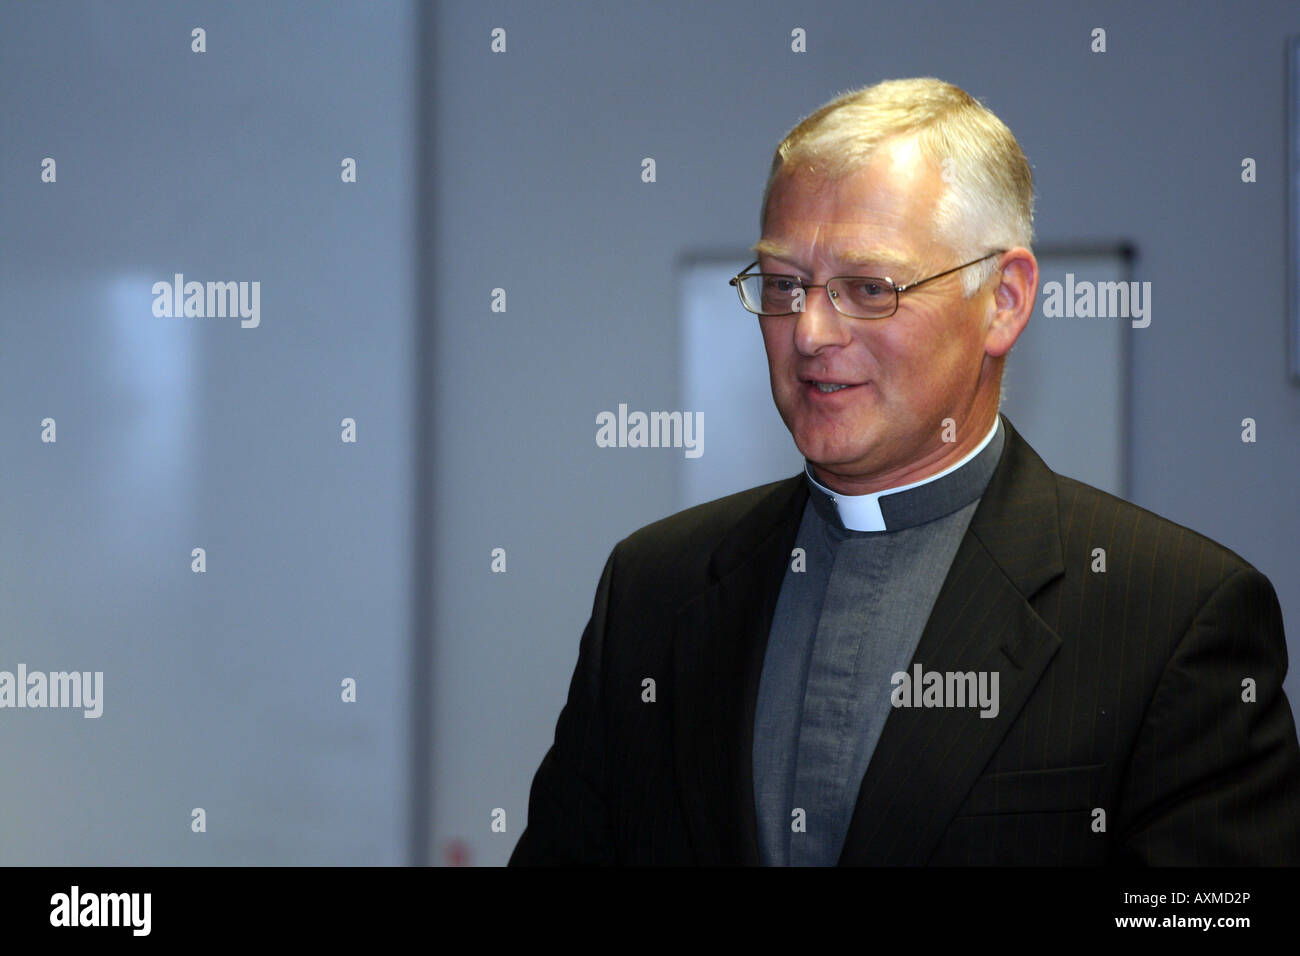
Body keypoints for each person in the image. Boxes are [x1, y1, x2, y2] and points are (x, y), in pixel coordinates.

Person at [509, 77, 1300, 865]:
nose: (810, 332)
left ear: (1004, 300)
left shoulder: (1172, 616)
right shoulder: (655, 586)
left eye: (868, 289)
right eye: (784, 285)